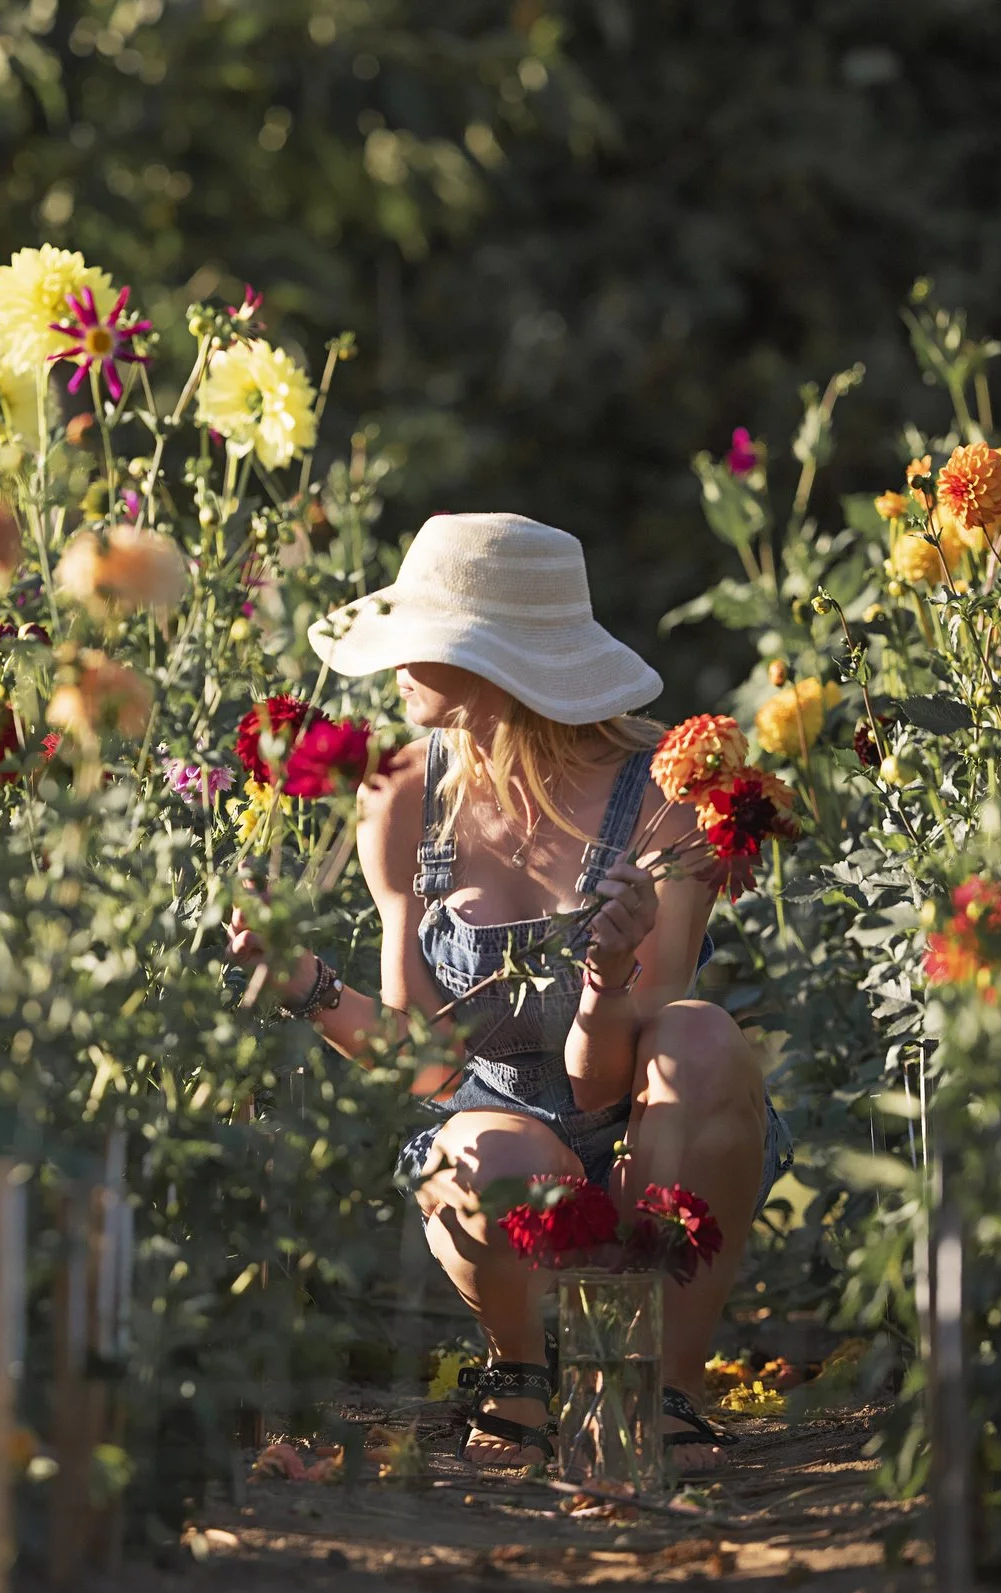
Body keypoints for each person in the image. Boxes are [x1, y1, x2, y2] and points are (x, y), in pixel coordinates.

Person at [227, 513, 791, 1475]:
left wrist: (607, 980)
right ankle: (521, 1375)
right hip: (499, 1134)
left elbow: (608, 1067)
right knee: (486, 1147)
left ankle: (664, 1393)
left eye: (425, 638)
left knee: (698, 1041)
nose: (397, 662)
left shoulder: (666, 800)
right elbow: (428, 1060)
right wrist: (305, 983)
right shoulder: (404, 790)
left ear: (494, 664)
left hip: (647, 1129)